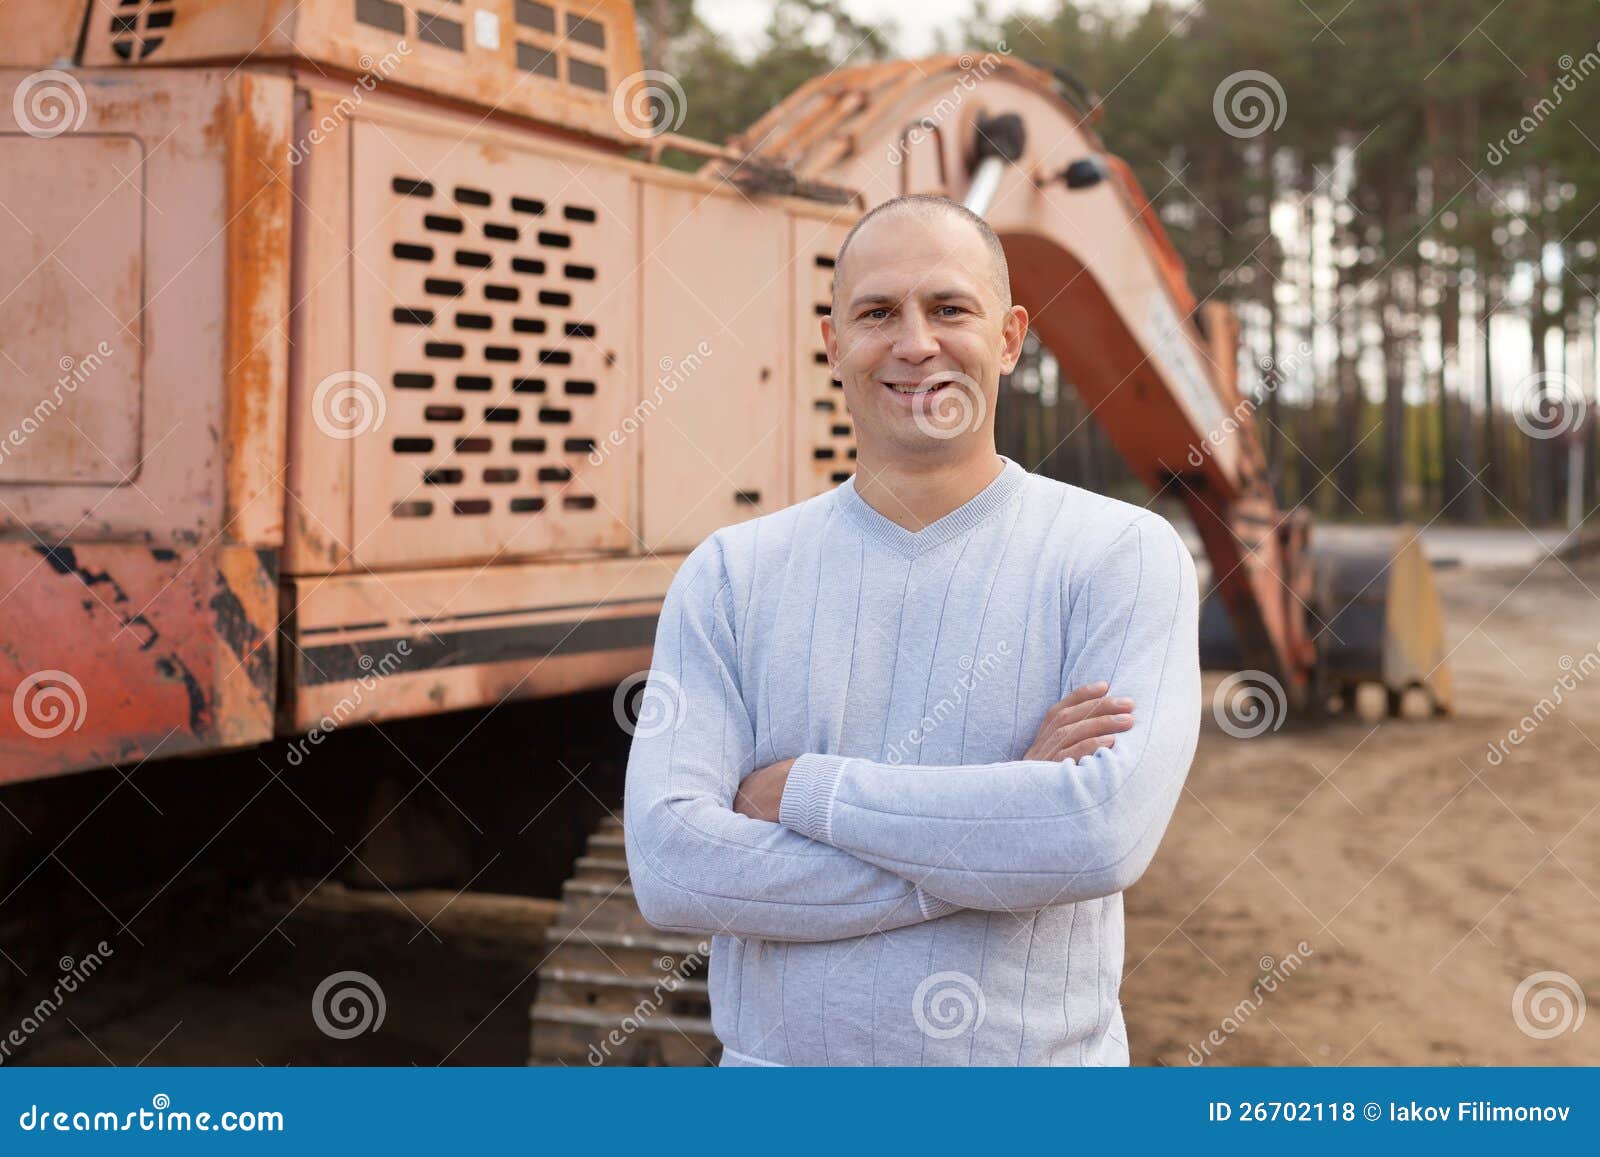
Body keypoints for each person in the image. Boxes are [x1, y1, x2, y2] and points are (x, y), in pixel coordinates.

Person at [623, 194, 1200, 1066]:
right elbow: (672, 868)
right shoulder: (732, 575)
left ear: (1009, 337)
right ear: (833, 343)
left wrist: (806, 793)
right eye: (878, 313)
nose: (916, 342)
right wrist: (1001, 842)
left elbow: (1098, 832)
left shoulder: (1119, 554)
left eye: (950, 307)